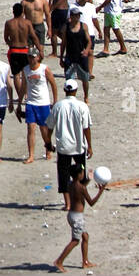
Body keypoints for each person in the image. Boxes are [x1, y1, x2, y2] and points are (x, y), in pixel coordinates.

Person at [47, 80, 93, 210]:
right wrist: (89, 146)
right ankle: (80, 198)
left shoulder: (58, 106)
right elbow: (86, 128)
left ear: (64, 90)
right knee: (81, 173)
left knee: (64, 175)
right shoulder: (82, 106)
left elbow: (49, 126)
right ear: (76, 90)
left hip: (63, 147)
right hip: (79, 147)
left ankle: (67, 204)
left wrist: (48, 142)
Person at [54, 163, 107, 273]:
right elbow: (91, 202)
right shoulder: (81, 187)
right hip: (77, 217)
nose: (83, 174)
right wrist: (100, 191)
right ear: (79, 174)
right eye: (82, 173)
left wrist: (88, 179)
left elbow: (80, 189)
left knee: (85, 237)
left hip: (71, 215)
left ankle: (85, 262)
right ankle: (59, 261)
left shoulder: (71, 184)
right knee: (75, 241)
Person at [23, 48, 58, 164]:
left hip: (43, 102)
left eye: (33, 57)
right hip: (31, 103)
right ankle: (31, 155)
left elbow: (53, 84)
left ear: (38, 57)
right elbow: (24, 85)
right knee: (30, 128)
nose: (31, 59)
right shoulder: (26, 70)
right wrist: (19, 102)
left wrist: (55, 100)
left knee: (44, 129)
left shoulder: (44, 69)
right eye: (29, 57)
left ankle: (48, 149)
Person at [60, 6, 94, 99]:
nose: (78, 17)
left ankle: (86, 97)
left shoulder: (84, 26)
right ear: (71, 16)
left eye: (79, 15)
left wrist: (86, 51)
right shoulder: (66, 27)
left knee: (85, 78)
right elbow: (63, 43)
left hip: (81, 56)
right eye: (76, 15)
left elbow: (89, 41)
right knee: (69, 79)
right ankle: (69, 97)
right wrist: (61, 58)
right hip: (70, 56)